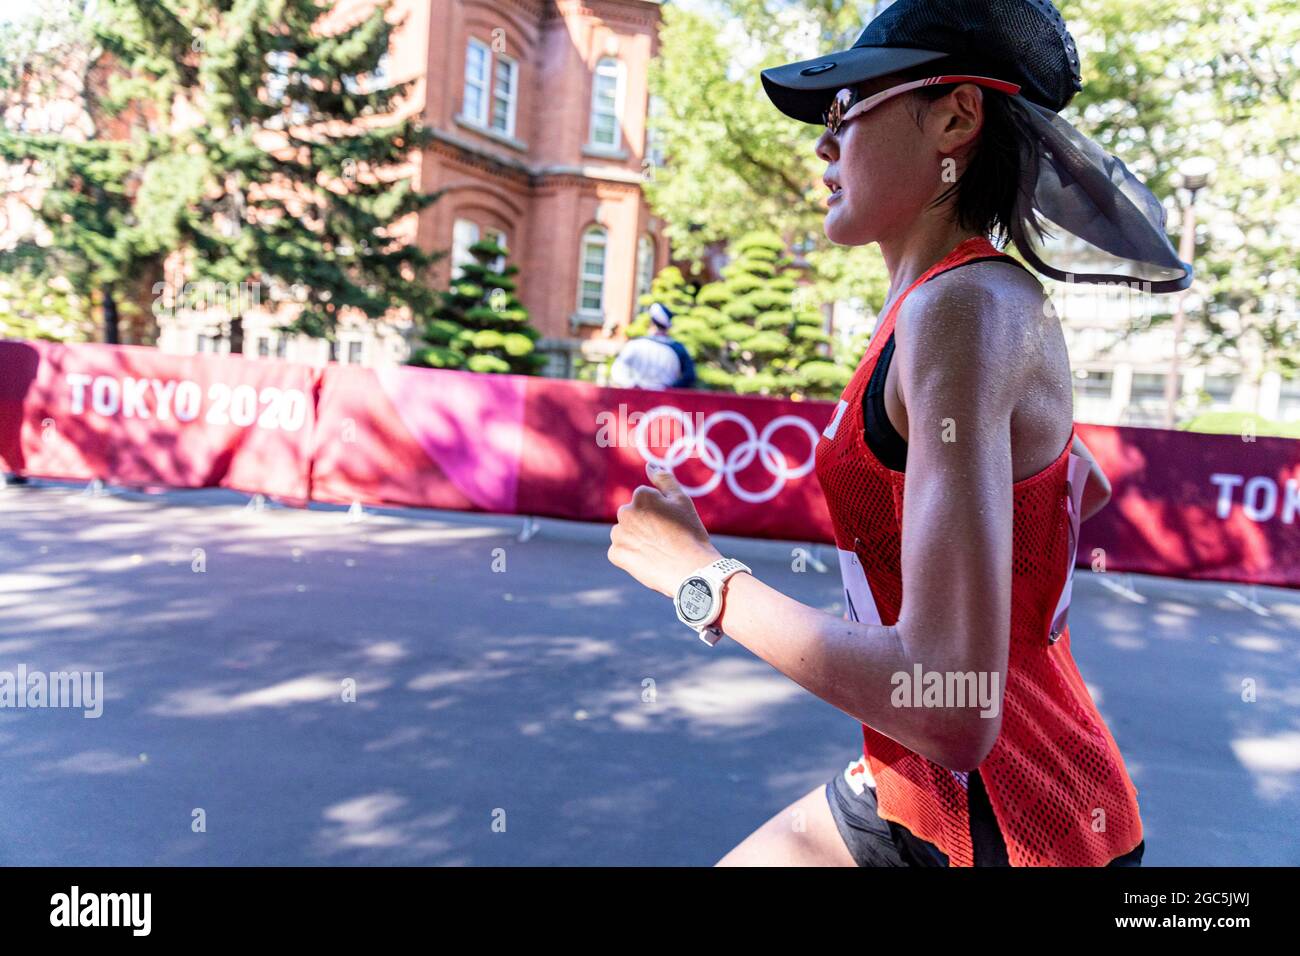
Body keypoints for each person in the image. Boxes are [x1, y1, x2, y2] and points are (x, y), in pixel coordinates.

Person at [607, 0, 1192, 866]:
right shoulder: (945, 307)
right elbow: (1081, 480)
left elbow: (953, 705)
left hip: (1015, 825)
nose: (822, 144)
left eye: (845, 111)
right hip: (912, 791)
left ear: (955, 116)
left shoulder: (962, 308)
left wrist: (702, 580)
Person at [608, 303, 696, 390]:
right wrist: (671, 389)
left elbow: (617, 370)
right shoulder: (678, 349)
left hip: (636, 397)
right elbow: (689, 376)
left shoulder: (635, 345)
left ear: (651, 323)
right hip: (666, 400)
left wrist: (631, 384)